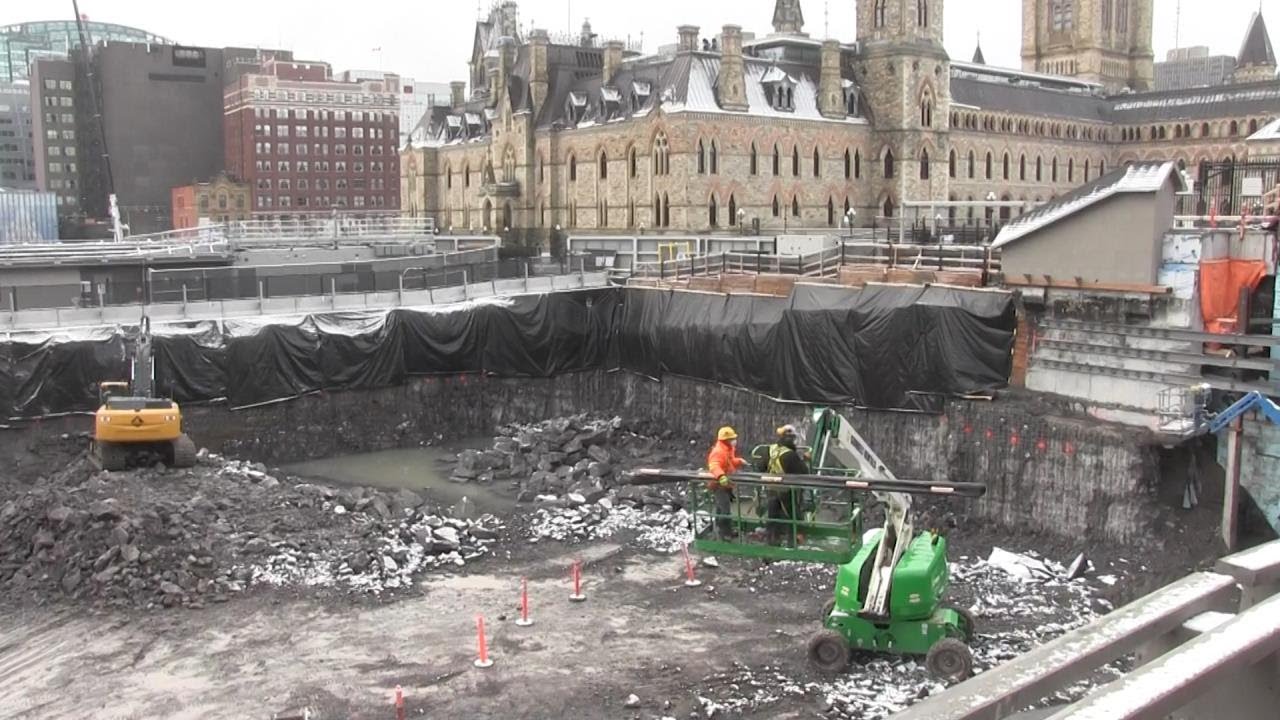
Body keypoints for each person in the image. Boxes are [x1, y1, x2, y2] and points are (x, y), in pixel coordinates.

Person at [757, 424, 811, 544]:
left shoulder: (769, 449)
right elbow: (803, 472)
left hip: (771, 488)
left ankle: (772, 540)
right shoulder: (790, 455)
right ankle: (793, 542)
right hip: (787, 490)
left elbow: (761, 467)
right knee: (793, 515)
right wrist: (805, 460)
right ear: (791, 439)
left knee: (773, 515)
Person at [707, 426, 746, 538]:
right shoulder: (718, 452)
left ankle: (720, 529)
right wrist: (721, 476)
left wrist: (739, 461)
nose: (734, 440)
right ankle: (725, 533)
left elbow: (729, 461)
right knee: (725, 510)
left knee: (721, 508)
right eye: (732, 438)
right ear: (726, 440)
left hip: (726, 484)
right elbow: (714, 465)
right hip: (718, 485)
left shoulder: (728, 449)